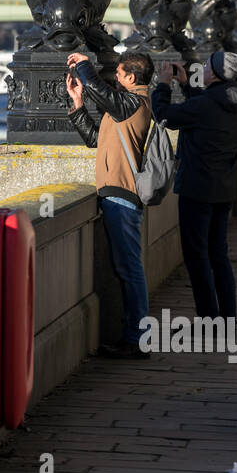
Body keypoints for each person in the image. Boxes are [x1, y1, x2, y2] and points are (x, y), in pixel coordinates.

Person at [66, 51, 156, 359]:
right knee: (127, 267)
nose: (114, 79)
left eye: (118, 74)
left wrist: (83, 64)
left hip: (122, 196)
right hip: (113, 192)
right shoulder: (124, 108)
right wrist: (78, 103)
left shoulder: (135, 104)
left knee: (130, 268)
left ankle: (138, 338)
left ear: (132, 77)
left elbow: (100, 91)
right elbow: (95, 139)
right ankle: (134, 334)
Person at [151, 50, 237, 319]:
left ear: (215, 74)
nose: (201, 69)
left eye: (206, 66)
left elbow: (163, 115)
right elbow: (207, 112)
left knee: (196, 255)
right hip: (223, 187)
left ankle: (208, 317)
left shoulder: (205, 104)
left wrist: (162, 85)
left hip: (197, 187)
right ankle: (228, 316)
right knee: (218, 253)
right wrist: (185, 85)